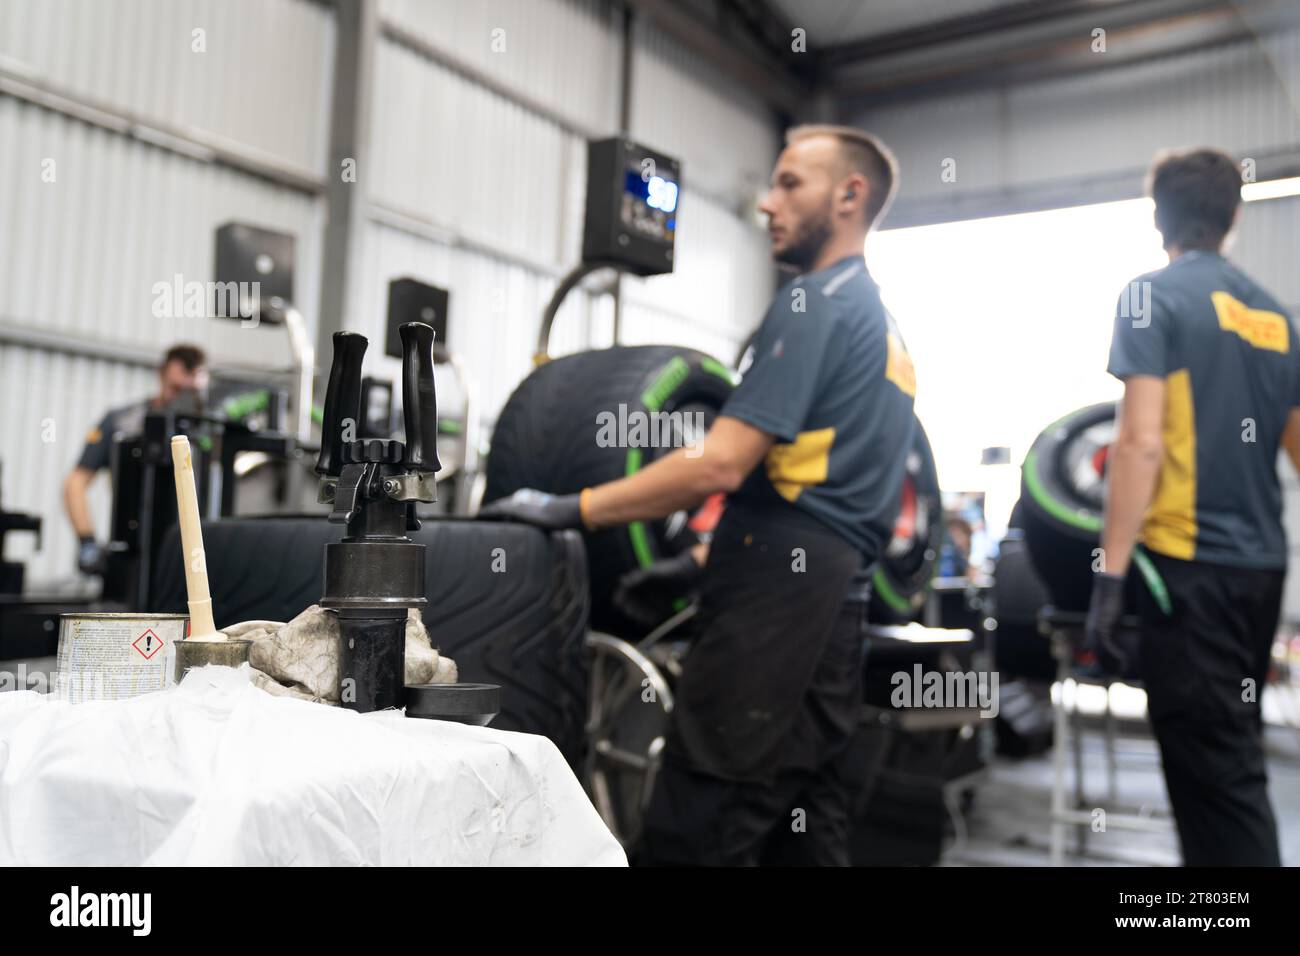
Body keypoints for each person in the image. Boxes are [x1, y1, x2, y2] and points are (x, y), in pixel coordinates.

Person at [482, 124, 916, 865]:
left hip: (774, 595)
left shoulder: (816, 303)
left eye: (789, 184)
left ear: (850, 195)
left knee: (702, 817)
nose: (767, 205)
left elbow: (721, 462)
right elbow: (823, 493)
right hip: (835, 601)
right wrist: (698, 561)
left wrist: (569, 508)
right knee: (806, 815)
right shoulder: (883, 326)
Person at [1086, 147, 1293, 866]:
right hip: (1261, 571)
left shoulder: (1152, 297)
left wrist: (1109, 579)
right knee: (1231, 752)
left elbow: (1139, 443)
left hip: (1186, 569)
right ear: (1233, 217)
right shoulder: (1278, 318)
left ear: (1158, 219)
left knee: (1213, 776)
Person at [63, 344, 208, 574]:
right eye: (176, 389)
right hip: (133, 552)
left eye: (190, 392)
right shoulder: (124, 423)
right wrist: (87, 541)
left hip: (195, 558)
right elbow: (75, 483)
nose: (182, 400)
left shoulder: (212, 432)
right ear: (160, 375)